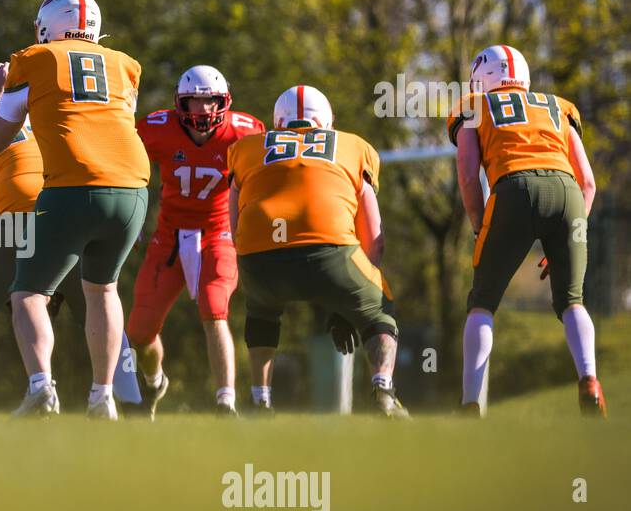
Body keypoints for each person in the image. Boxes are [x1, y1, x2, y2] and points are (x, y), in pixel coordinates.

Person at [0, 0, 150, 420]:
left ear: (46, 26)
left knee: (29, 295)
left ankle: (42, 388)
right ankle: (103, 397)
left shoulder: (34, 60)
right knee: (104, 289)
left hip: (73, 186)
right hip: (133, 189)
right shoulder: (125, 66)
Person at [0, 66, 141, 412]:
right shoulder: (56, 135)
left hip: (14, 217)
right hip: (66, 213)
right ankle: (129, 401)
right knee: (100, 301)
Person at [226, 84, 407, 417]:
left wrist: (252, 259)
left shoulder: (245, 148)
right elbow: (375, 236)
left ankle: (259, 399)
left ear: (276, 122)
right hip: (331, 250)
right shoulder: (353, 146)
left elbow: (233, 222)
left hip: (259, 254)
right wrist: (348, 301)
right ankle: (383, 389)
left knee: (262, 312)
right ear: (329, 120)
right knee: (379, 308)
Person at [448, 44, 604, 417]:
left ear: (481, 77)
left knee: (482, 303)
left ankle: (471, 404)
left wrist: (479, 225)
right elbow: (589, 183)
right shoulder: (558, 106)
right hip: (567, 194)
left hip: (512, 189)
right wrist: (573, 232)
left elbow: (469, 178)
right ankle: (590, 381)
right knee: (572, 299)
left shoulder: (473, 107)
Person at [123, 65, 264, 418]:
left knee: (215, 304)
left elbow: (264, 178)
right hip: (168, 235)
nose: (202, 111)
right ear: (178, 103)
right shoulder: (158, 128)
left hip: (218, 232)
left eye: (210, 102)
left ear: (224, 102)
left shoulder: (245, 133)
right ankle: (155, 381)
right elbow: (126, 165)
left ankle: (225, 402)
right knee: (139, 330)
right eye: (193, 102)